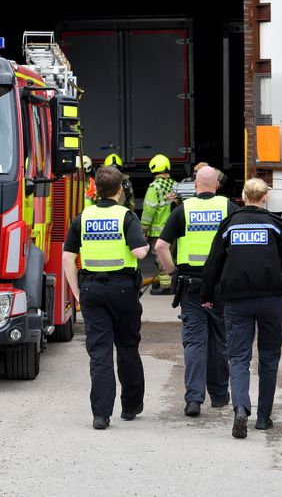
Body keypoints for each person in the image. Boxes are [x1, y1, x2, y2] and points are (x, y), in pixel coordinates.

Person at [201, 178, 282, 439]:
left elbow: (212, 264)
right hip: (270, 302)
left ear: (243, 197)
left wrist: (207, 295)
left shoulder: (229, 227)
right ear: (265, 198)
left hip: (236, 303)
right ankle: (264, 417)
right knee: (269, 358)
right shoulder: (275, 225)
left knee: (238, 358)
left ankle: (241, 409)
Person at [62, 166, 150, 430]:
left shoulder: (82, 218)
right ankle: (130, 406)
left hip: (91, 290)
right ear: (120, 190)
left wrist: (77, 292)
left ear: (96, 190)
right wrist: (143, 244)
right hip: (123, 290)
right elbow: (140, 253)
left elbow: (67, 258)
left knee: (99, 353)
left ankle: (101, 415)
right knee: (127, 347)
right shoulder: (127, 216)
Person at [156, 166, 238, 417]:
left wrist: (172, 273)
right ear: (216, 186)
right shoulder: (229, 208)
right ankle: (220, 395)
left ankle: (193, 400)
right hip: (221, 286)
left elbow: (160, 247)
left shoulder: (183, 210)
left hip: (191, 286)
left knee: (194, 342)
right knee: (220, 339)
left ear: (195, 186)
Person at [141, 154, 176, 295]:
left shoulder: (154, 187)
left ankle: (166, 286)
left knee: (160, 257)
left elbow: (149, 211)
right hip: (172, 229)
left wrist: (143, 229)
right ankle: (172, 282)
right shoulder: (174, 184)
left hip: (158, 231)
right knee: (171, 255)